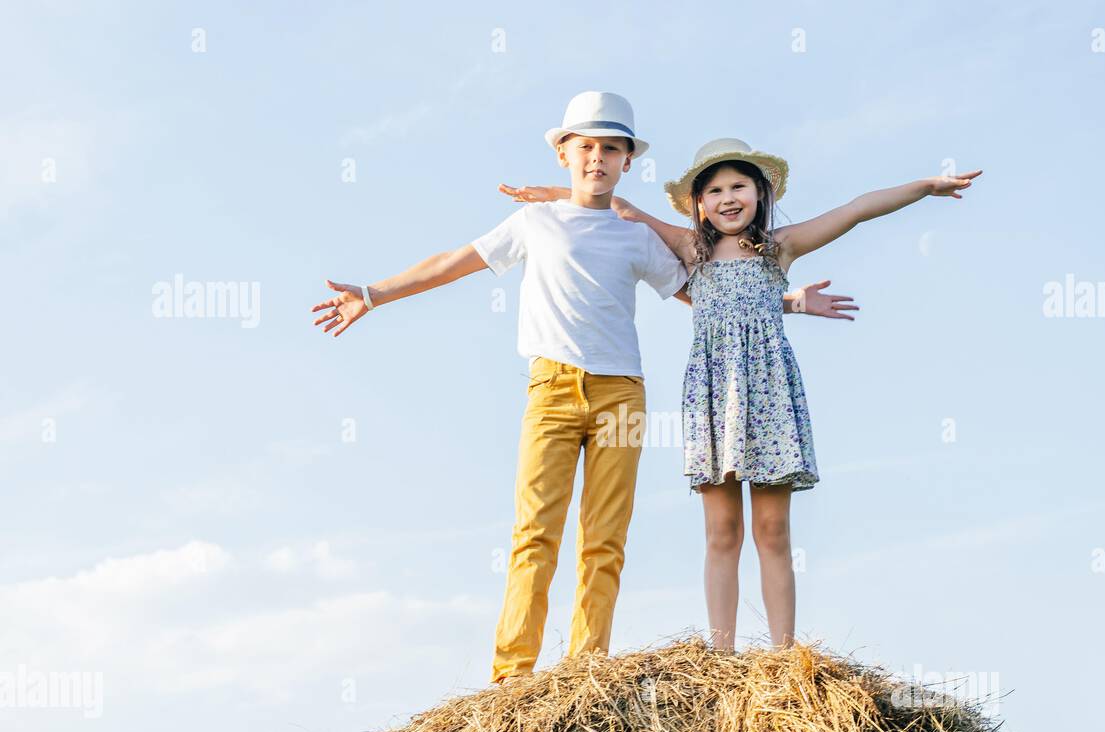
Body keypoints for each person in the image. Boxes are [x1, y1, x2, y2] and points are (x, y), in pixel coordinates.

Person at [310, 94, 856, 685]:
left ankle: (583, 670)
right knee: (535, 533)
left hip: (622, 392)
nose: (598, 158)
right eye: (588, 147)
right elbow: (454, 262)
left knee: (605, 538)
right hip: (552, 388)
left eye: (612, 149)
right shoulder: (533, 222)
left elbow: (713, 298)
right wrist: (373, 294)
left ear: (627, 161)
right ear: (565, 154)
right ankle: (513, 677)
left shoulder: (637, 237)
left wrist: (791, 302)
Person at [503, 136, 981, 653]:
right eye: (714, 190)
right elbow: (620, 206)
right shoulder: (689, 250)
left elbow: (857, 210)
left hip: (769, 395)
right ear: (698, 205)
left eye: (739, 186)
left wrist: (925, 187)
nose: (728, 198)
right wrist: (556, 193)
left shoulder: (780, 247)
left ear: (760, 193)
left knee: (773, 530)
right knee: (722, 531)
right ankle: (722, 654)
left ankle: (783, 655)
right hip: (712, 398)